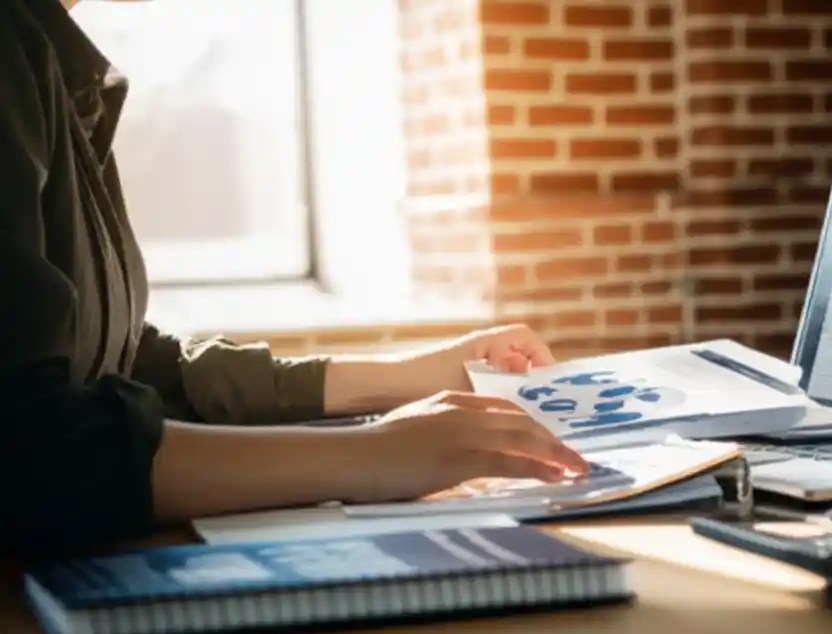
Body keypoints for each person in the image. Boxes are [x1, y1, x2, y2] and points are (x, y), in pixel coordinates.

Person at [0, 0, 588, 553]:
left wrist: (399, 379)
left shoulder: (49, 58)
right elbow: (33, 449)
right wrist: (372, 455)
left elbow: (126, 370)